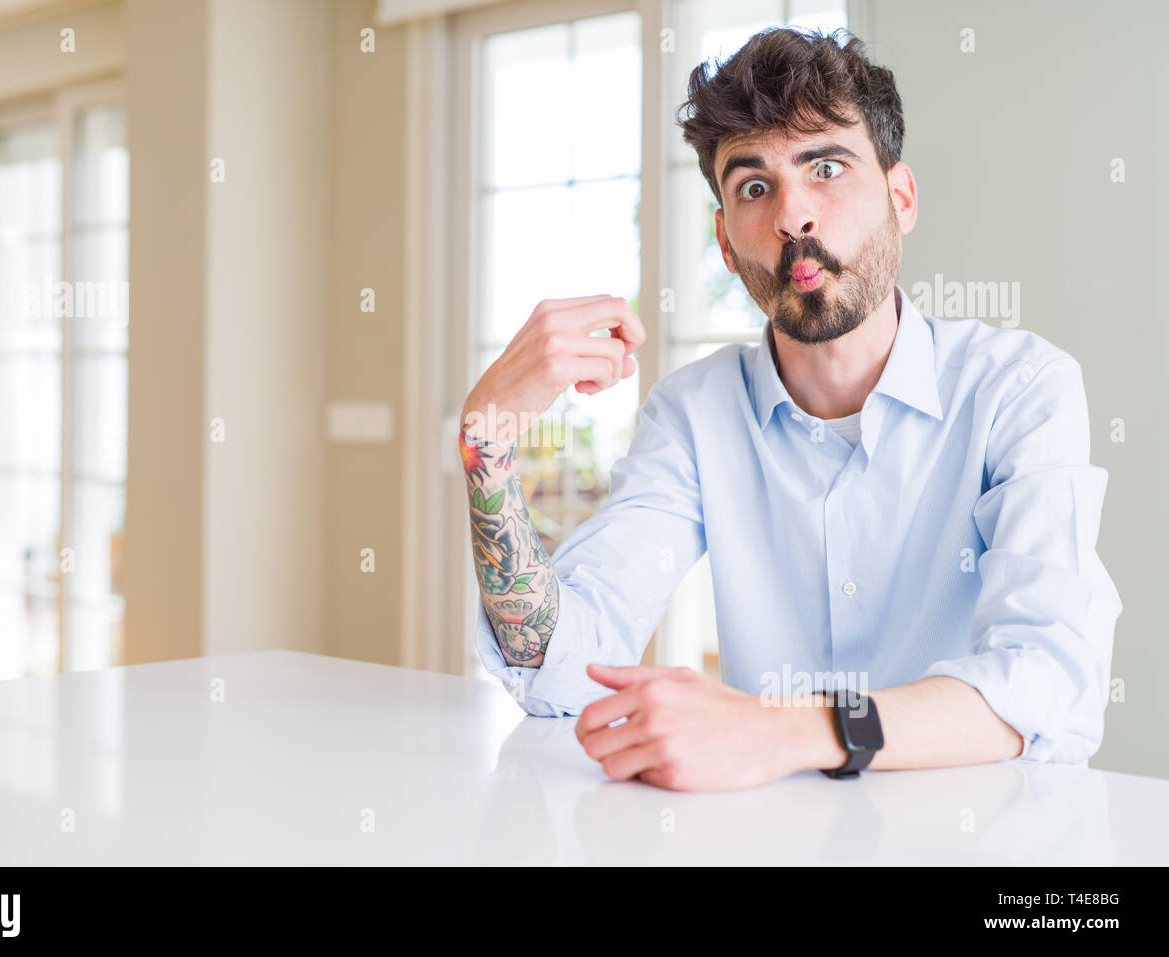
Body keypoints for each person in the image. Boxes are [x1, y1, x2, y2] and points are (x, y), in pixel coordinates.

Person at [458, 26, 1121, 792]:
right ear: (726, 238)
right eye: (753, 187)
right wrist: (489, 448)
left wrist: (791, 729)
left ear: (900, 198)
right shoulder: (694, 413)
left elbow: (1049, 681)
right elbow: (561, 669)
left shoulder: (1020, 389)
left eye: (827, 168)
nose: (792, 217)